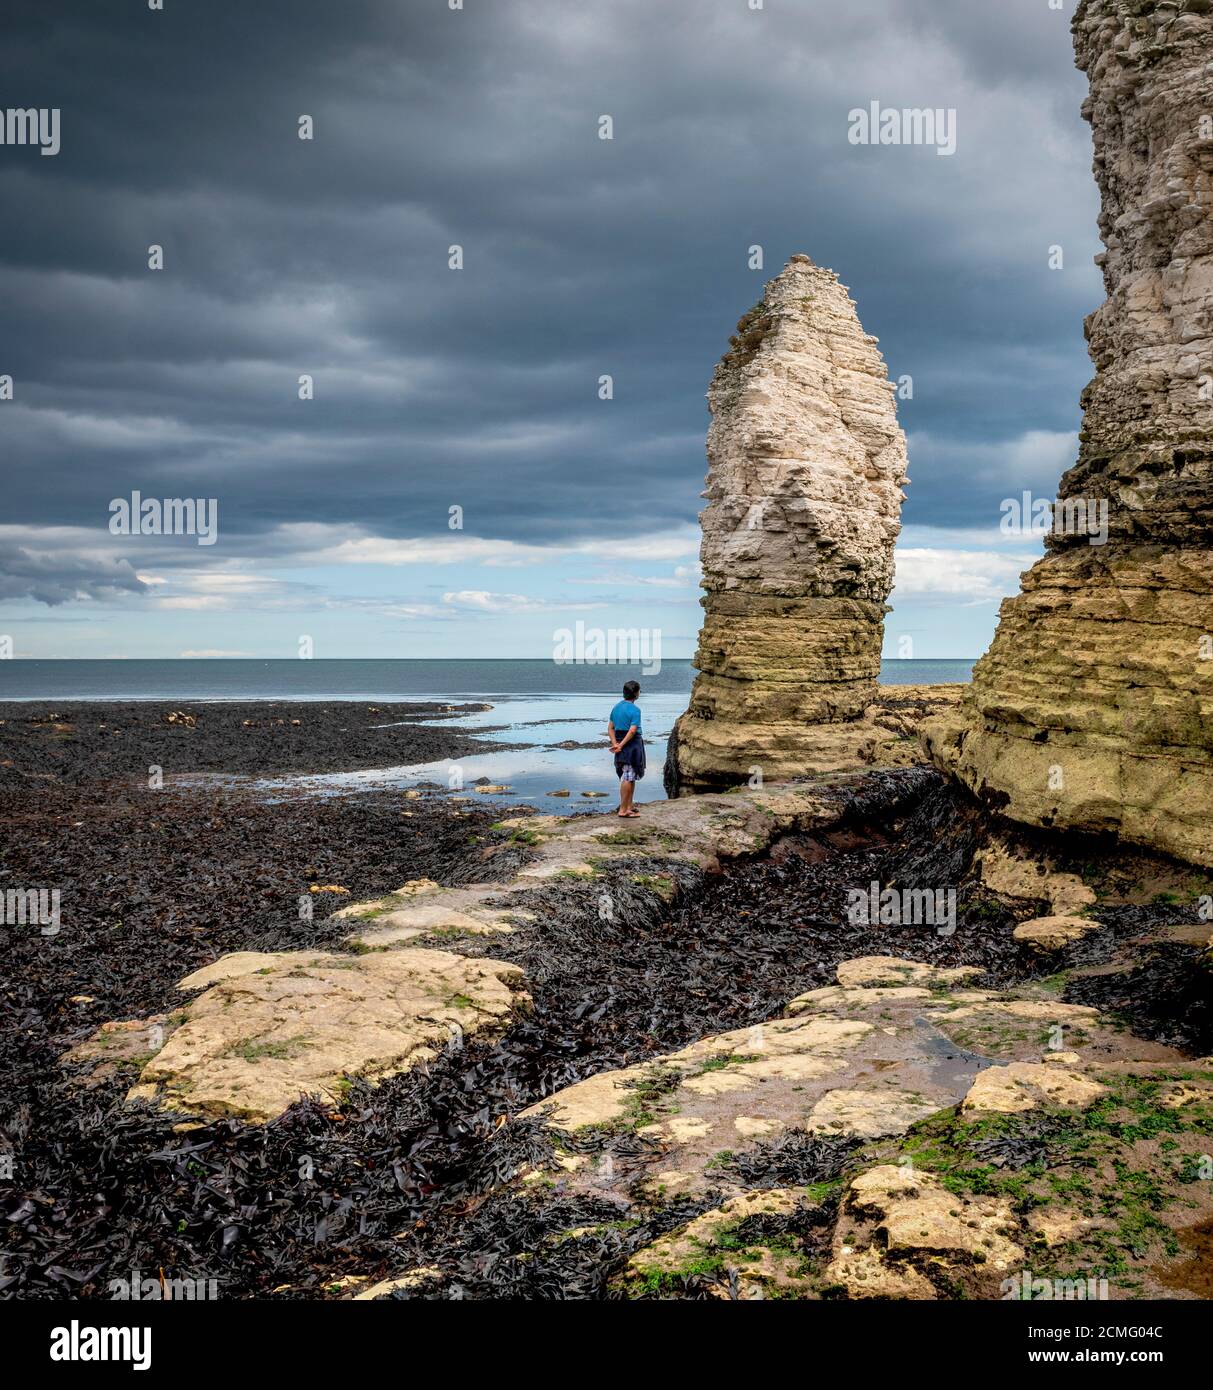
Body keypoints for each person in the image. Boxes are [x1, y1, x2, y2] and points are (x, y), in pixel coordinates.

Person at [607, 680, 645, 818]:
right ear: (636, 693)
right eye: (639, 690)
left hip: (620, 742)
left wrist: (615, 743)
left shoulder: (616, 707)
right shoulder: (635, 710)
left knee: (631, 775)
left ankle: (629, 806)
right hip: (631, 744)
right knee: (628, 777)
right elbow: (632, 730)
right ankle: (623, 810)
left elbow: (610, 728)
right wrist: (621, 745)